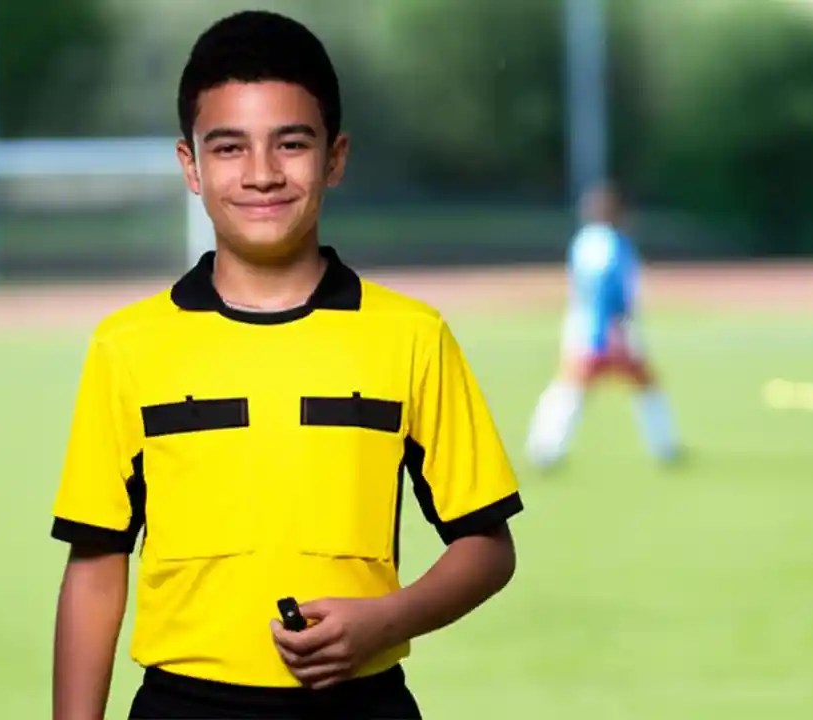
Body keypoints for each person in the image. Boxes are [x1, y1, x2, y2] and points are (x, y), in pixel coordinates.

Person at [49, 11, 523, 719]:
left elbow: (487, 546)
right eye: (231, 147)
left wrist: (388, 620)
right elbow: (94, 566)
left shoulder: (412, 336)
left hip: (362, 702)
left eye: (291, 144)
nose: (263, 173)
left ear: (334, 157)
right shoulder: (129, 345)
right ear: (192, 165)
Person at [524, 182, 681, 469]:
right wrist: (608, 329)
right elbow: (604, 287)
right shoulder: (608, 243)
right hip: (605, 328)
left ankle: (546, 447)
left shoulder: (588, 240)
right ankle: (546, 448)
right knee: (579, 384)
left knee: (588, 385)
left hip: (590, 325)